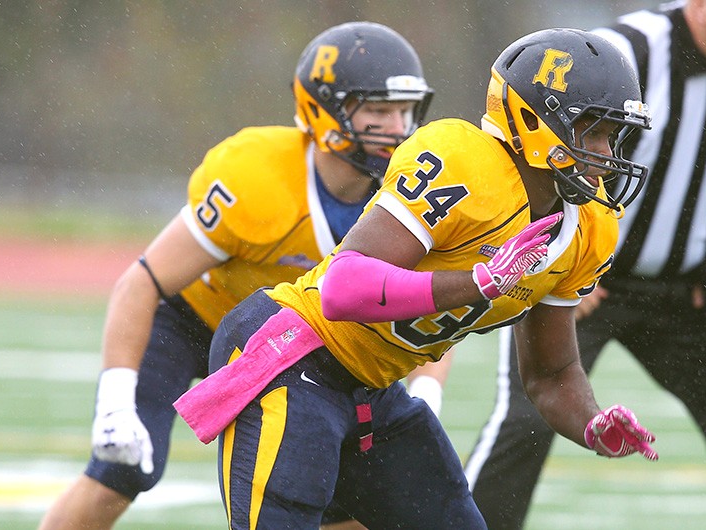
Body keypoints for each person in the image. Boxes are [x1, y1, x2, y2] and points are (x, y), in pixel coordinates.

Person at [172, 27, 662, 529]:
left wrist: (591, 424)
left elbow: (551, 375)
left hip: (374, 387)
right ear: (536, 120)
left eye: (612, 134)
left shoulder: (589, 229)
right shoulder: (464, 162)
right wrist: (478, 282)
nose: (606, 153)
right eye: (593, 131)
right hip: (297, 356)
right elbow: (344, 287)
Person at [38, 21, 444, 530]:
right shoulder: (257, 175)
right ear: (324, 109)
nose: (398, 127)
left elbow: (429, 311)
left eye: (405, 111)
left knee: (348, 498)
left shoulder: (411, 192)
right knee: (119, 474)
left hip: (296, 347)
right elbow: (141, 282)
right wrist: (115, 402)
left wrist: (427, 397)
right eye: (379, 111)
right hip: (194, 322)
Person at [465, 1, 706, 528]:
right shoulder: (625, 52)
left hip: (688, 285)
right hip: (587, 277)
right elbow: (538, 148)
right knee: (529, 417)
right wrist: (569, 257)